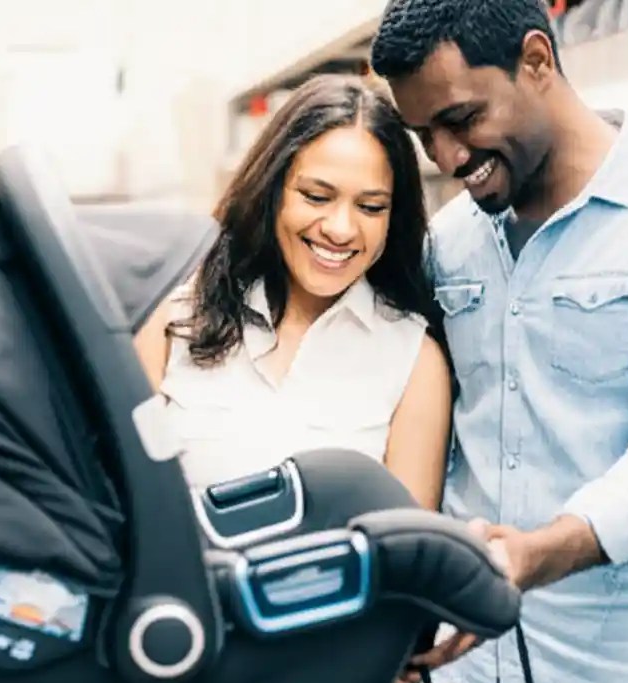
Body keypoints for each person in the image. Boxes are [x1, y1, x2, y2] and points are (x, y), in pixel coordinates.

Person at [369, 0, 628, 683]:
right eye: (423, 134)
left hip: (611, 678)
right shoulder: (451, 240)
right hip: (453, 671)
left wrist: (529, 557)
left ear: (536, 60)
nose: (447, 159)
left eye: (460, 120)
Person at [133, 73, 451, 511]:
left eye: (370, 207)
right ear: (272, 190)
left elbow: (413, 551)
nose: (341, 229)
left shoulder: (413, 360)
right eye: (317, 197)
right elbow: (120, 500)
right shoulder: (175, 322)